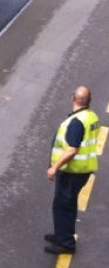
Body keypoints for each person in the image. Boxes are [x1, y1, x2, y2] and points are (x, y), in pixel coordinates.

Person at [44, 86, 100, 255]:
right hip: (83, 170)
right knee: (66, 204)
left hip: (72, 172)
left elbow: (72, 149)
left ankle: (66, 243)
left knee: (63, 206)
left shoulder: (76, 122)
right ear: (88, 101)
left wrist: (54, 167)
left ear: (73, 98)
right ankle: (62, 235)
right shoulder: (92, 116)